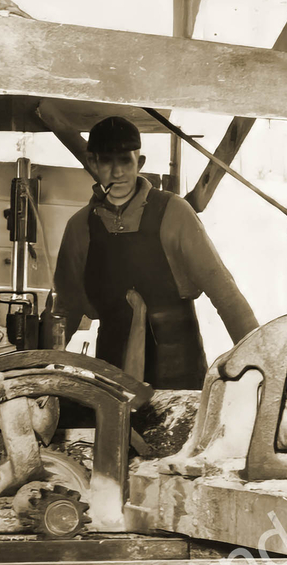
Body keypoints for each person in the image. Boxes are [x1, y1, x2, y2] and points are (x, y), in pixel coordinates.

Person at [53, 116, 258, 389]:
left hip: (180, 377)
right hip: (110, 381)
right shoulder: (80, 228)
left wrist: (259, 360)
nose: (117, 173)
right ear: (93, 163)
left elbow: (225, 294)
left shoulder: (174, 213)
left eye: (125, 160)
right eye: (106, 161)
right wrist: (36, 369)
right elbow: (66, 310)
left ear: (140, 162)